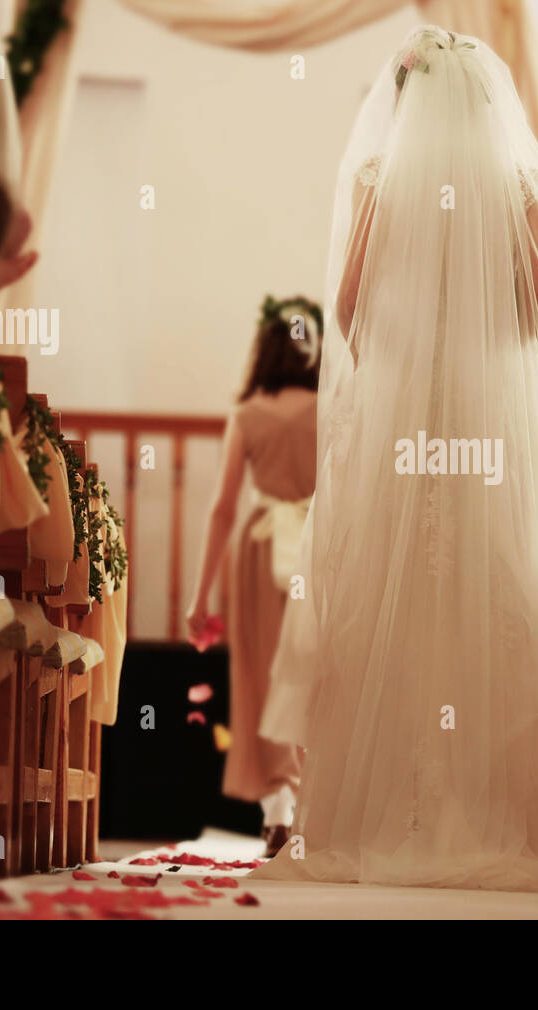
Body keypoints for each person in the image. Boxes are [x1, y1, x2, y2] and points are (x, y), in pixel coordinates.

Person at [249, 26, 538, 893]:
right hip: (489, 418)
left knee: (396, 593)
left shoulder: (376, 184)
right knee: (501, 585)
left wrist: (406, 358)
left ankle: (393, 811)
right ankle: (513, 810)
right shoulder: (524, 185)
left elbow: (349, 312)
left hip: (405, 426)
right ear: (489, 105)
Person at [186, 296, 320, 857]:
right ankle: (317, 804)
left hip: (259, 547)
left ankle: (277, 812)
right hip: (317, 544)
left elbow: (222, 507)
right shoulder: (331, 407)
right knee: (316, 673)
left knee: (260, 677)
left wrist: (199, 597)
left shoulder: (247, 413)